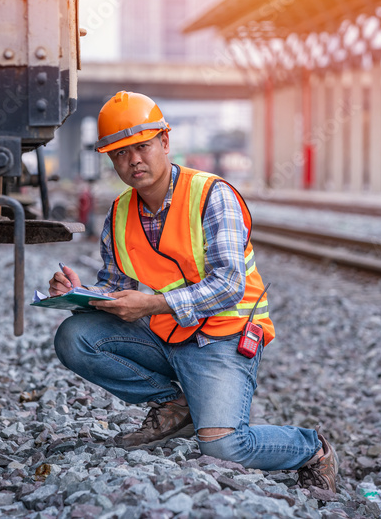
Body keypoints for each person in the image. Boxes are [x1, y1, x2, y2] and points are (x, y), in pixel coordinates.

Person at [49, 91, 338, 492]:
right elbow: (116, 288)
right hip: (169, 333)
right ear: (110, 159)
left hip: (223, 336)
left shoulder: (211, 196)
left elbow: (230, 286)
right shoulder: (118, 213)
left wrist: (151, 304)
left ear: (165, 142)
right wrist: (81, 294)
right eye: (119, 153)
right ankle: (174, 405)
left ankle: (313, 448)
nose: (133, 160)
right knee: (75, 336)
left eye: (142, 147)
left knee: (224, 447)